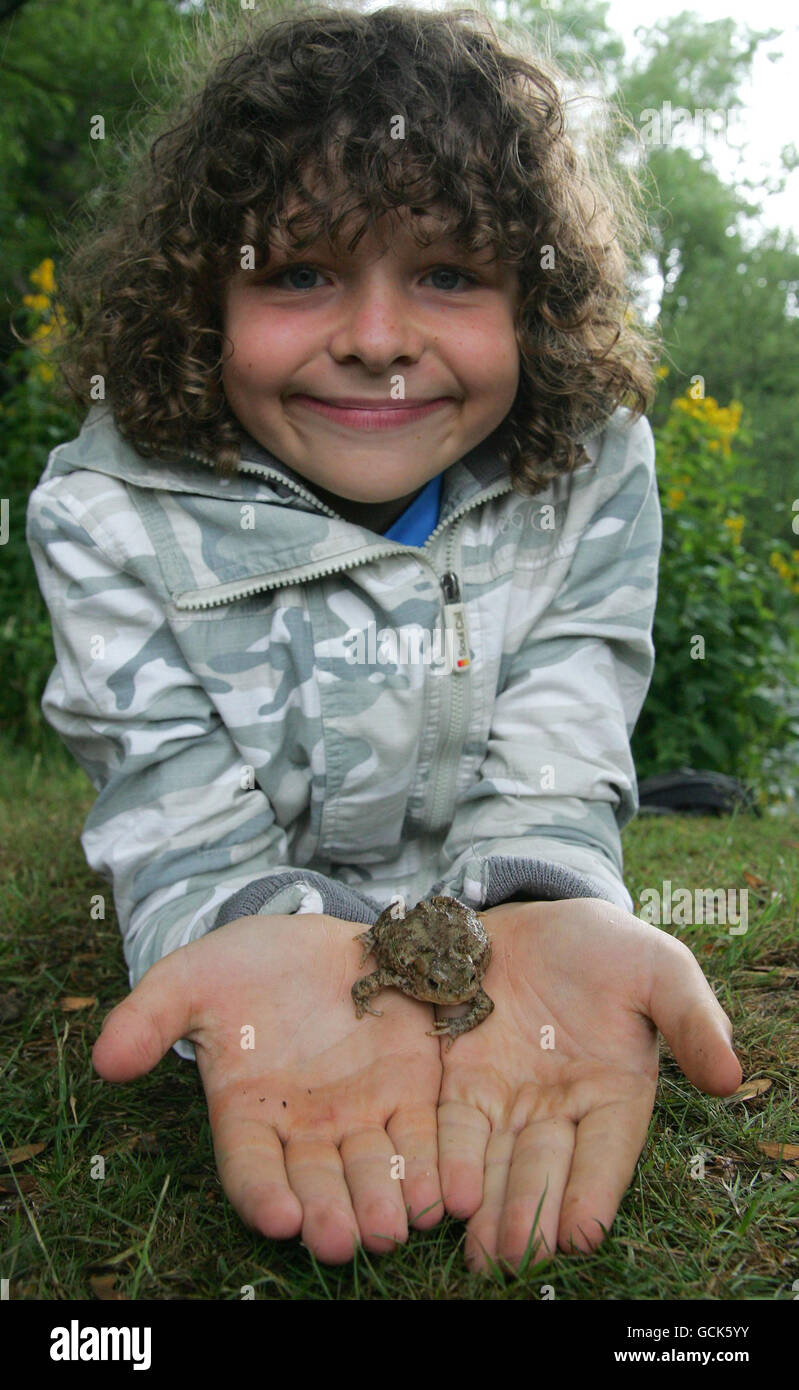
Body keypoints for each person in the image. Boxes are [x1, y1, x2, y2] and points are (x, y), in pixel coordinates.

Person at [26, 4, 742, 1274]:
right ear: (201, 291)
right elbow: (168, 798)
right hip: (278, 933)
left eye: (450, 274)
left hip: (481, 919)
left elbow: (566, 734)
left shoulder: (592, 474)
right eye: (297, 272)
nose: (372, 337)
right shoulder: (104, 515)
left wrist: (547, 904)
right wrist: (250, 938)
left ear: (535, 298)